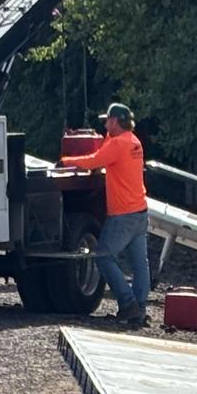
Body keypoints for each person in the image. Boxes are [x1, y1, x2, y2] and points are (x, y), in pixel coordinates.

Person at [60, 102, 150, 325]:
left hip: (123, 214)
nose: (105, 124)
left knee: (103, 257)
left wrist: (66, 161)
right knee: (140, 265)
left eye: (108, 120)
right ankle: (139, 309)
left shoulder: (118, 144)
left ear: (115, 121)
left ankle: (127, 304)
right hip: (140, 211)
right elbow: (106, 151)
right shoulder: (134, 141)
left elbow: (93, 161)